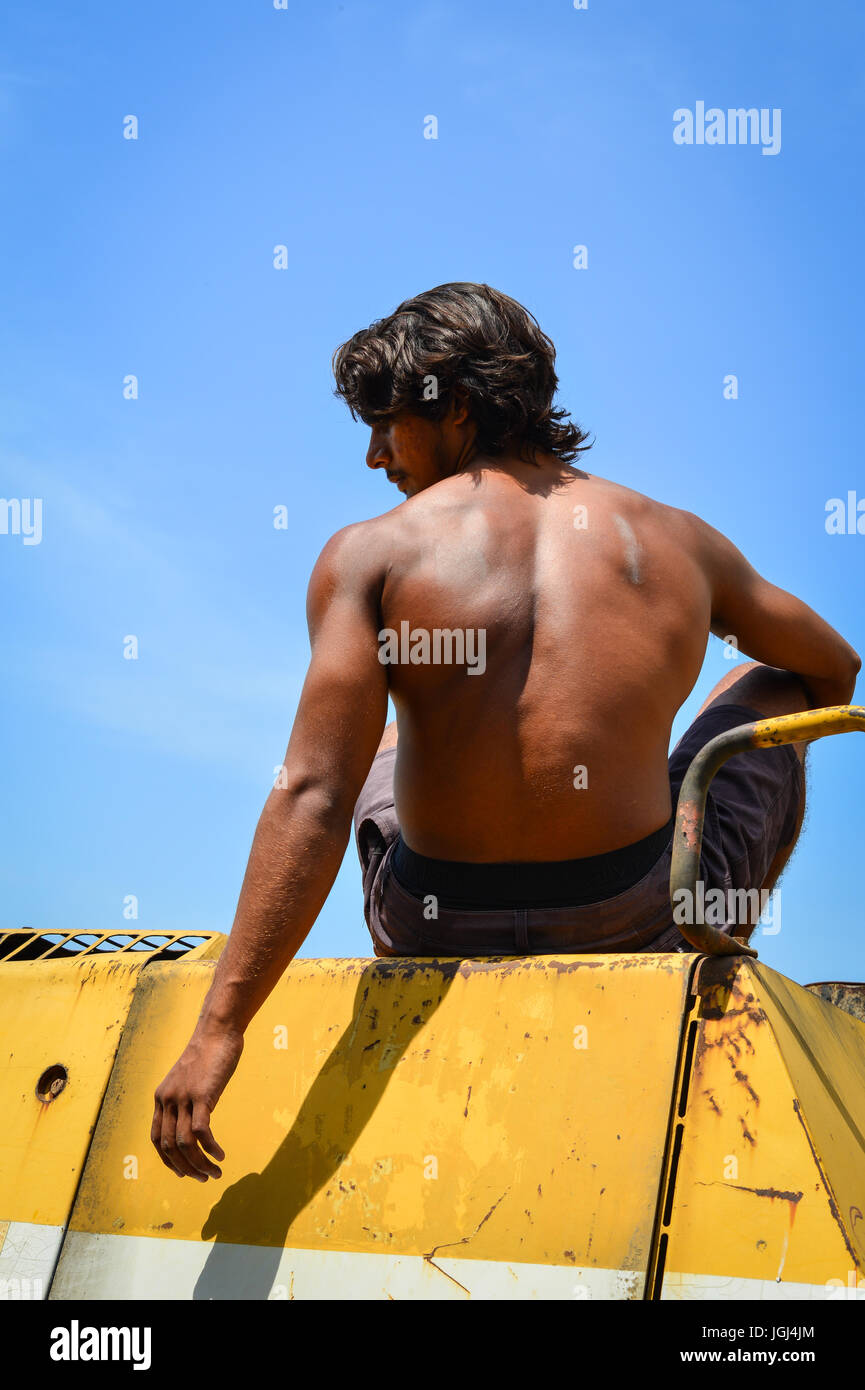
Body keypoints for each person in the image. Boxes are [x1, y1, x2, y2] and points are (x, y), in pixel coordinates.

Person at [151, 282, 860, 1180]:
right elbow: (832, 670)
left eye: (388, 421)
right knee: (761, 686)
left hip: (433, 921)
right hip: (641, 915)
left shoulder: (373, 553)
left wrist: (220, 1029)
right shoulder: (680, 542)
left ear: (458, 406)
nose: (374, 456)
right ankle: (720, 933)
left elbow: (314, 795)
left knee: (365, 740)